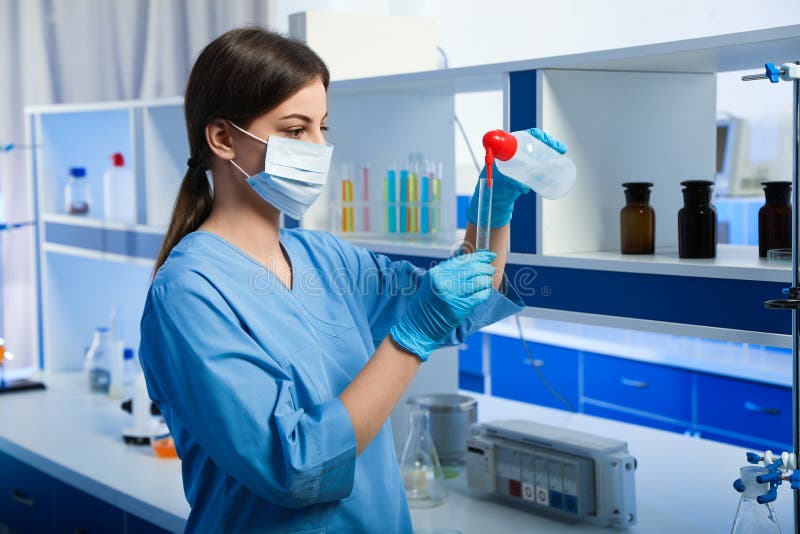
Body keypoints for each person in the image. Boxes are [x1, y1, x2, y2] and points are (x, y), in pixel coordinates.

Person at [139, 26, 559, 533]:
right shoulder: (188, 293)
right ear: (223, 138)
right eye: (296, 131)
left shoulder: (325, 259)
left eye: (322, 127)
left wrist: (493, 207)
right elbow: (293, 468)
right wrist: (411, 337)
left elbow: (460, 303)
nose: (320, 147)